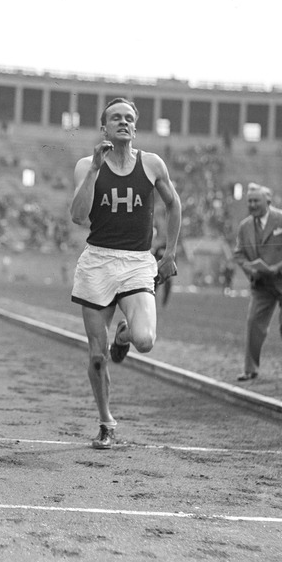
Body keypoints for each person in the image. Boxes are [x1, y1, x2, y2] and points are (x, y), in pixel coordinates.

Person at [70, 97, 181, 449]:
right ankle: (106, 421)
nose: (123, 122)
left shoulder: (151, 164)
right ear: (104, 127)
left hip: (136, 261)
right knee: (97, 355)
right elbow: (77, 216)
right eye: (115, 118)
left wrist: (170, 253)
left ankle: (124, 338)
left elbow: (173, 204)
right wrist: (93, 171)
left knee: (144, 340)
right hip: (98, 262)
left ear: (135, 126)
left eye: (129, 118)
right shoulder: (87, 165)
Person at [232, 183, 282, 382]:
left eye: (256, 201)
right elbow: (239, 254)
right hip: (261, 285)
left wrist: (277, 267)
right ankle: (250, 369)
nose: (252, 205)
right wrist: (250, 269)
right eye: (250, 201)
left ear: (268, 201)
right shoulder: (245, 226)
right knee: (254, 323)